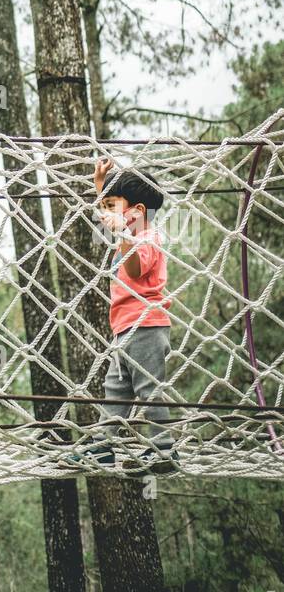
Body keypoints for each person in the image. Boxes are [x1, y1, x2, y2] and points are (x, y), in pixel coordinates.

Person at [66, 157, 177, 474]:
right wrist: (100, 186)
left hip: (146, 328)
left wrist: (123, 236)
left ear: (138, 212)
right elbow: (110, 211)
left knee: (149, 390)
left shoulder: (148, 238)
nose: (106, 212)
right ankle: (102, 446)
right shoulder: (132, 229)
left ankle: (164, 450)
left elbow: (135, 267)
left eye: (114, 205)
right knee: (115, 390)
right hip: (125, 328)